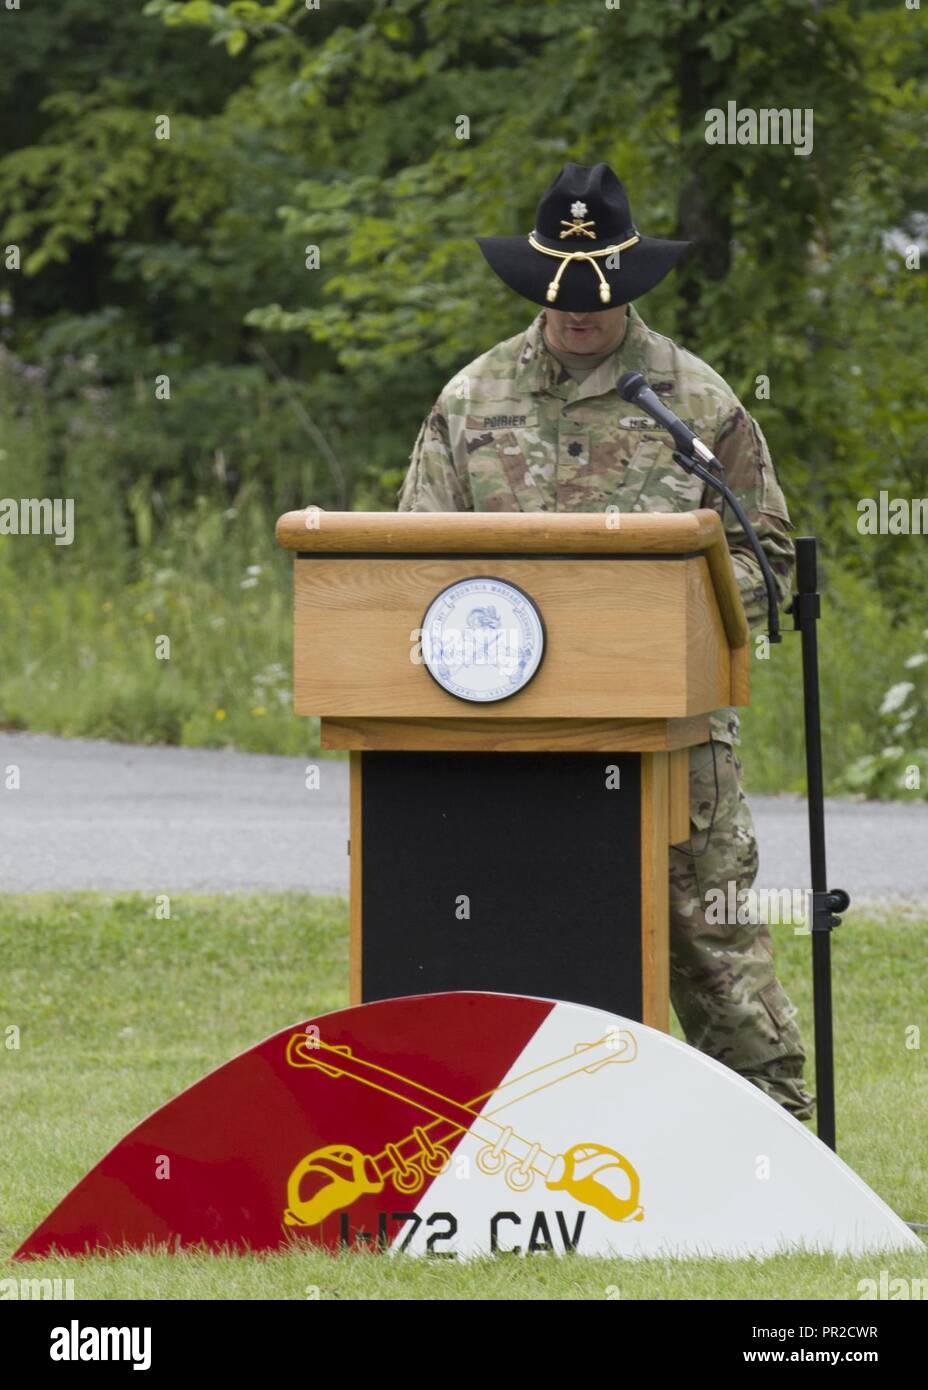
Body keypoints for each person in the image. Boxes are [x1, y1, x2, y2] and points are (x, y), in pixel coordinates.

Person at [397, 161, 813, 1120]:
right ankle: (515, 1145)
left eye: (601, 300)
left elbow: (770, 561)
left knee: (712, 944)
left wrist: (658, 631)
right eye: (562, 300)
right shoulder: (470, 402)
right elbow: (416, 566)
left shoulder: (696, 405)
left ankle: (780, 1157)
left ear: (631, 287)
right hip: (508, 741)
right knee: (513, 940)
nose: (580, 316)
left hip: (672, 739)